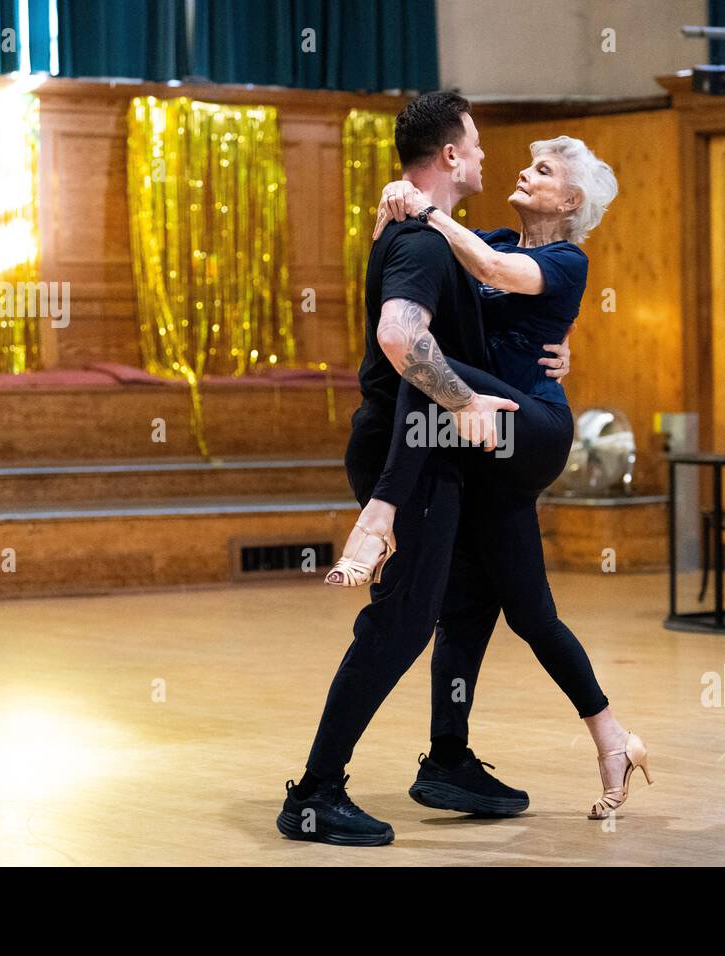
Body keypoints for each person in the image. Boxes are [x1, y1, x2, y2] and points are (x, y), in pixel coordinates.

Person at [326, 133, 652, 825]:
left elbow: (496, 273)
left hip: (531, 429)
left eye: (543, 171)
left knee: (428, 371)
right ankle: (609, 740)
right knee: (518, 608)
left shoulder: (567, 259)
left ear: (570, 200)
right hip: (486, 441)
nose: (523, 173)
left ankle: (377, 517)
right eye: (528, 164)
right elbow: (441, 263)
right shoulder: (497, 235)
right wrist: (396, 203)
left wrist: (432, 213)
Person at [276, 91, 527, 847]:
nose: (483, 157)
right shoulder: (418, 241)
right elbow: (397, 338)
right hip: (404, 453)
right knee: (401, 622)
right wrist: (463, 402)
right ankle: (315, 794)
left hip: (422, 452)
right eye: (475, 146)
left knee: (469, 597)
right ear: (450, 155)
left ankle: (448, 758)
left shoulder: (426, 231)